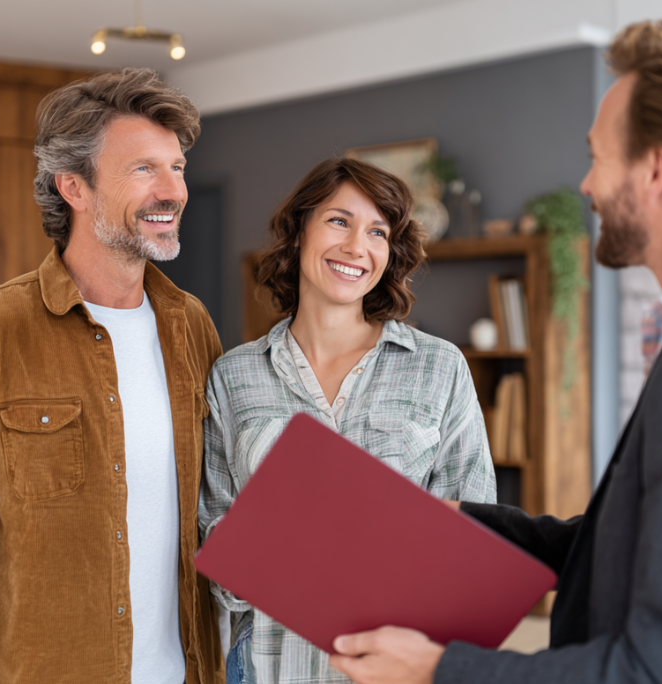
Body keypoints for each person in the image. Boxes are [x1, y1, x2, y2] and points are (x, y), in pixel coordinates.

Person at [329, 20, 662, 684]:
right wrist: (469, 523)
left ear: (657, 168)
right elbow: (642, 546)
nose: (586, 186)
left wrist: (440, 670)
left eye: (599, 156)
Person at [0, 69, 224, 684]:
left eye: (176, 167)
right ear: (75, 187)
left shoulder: (190, 326)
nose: (173, 189)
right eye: (144, 169)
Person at [199, 157, 497, 684]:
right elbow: (214, 547)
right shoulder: (234, 375)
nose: (357, 246)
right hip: (269, 669)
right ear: (299, 232)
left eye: (377, 231)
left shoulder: (439, 367)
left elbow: (474, 536)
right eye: (339, 221)